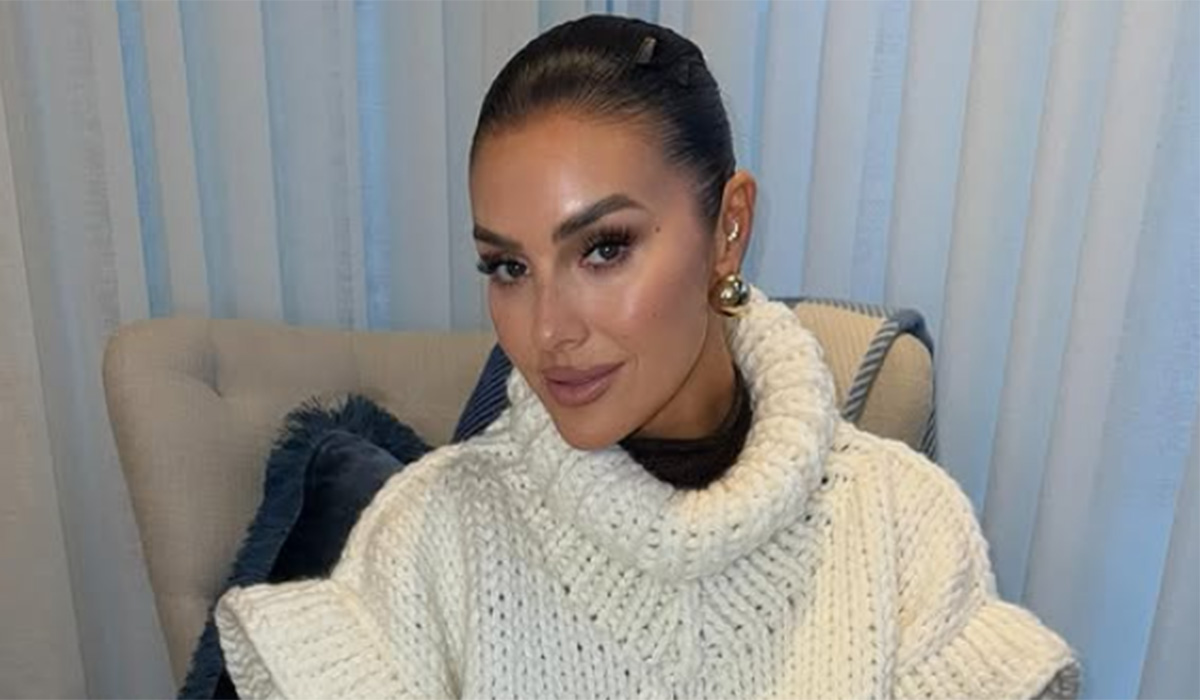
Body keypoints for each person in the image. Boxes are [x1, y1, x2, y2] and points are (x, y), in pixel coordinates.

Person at [216, 15, 1078, 699]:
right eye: (508, 267)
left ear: (728, 227)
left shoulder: (899, 526)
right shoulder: (432, 535)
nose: (547, 330)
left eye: (603, 249)